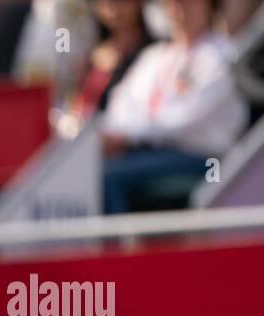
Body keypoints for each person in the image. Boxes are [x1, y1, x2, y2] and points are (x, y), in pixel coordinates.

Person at [100, 0, 249, 212]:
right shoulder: (153, 56)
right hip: (147, 154)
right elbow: (120, 105)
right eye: (171, 4)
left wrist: (127, 134)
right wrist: (116, 133)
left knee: (109, 178)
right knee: (94, 174)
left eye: (187, 4)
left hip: (205, 162)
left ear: (208, 6)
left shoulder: (223, 55)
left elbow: (184, 116)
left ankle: (118, 245)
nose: (178, 11)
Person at [61, 0, 155, 132]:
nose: (112, 8)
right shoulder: (91, 55)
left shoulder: (153, 53)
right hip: (86, 137)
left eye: (119, 2)